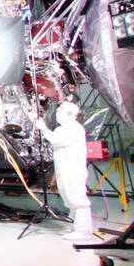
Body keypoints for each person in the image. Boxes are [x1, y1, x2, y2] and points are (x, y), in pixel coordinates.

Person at [36, 101, 94, 240]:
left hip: (74, 170)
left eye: (60, 111)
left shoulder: (74, 129)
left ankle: (83, 231)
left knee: (77, 199)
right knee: (69, 199)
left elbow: (56, 140)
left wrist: (44, 129)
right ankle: (73, 227)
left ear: (69, 114)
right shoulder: (62, 128)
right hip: (64, 169)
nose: (57, 114)